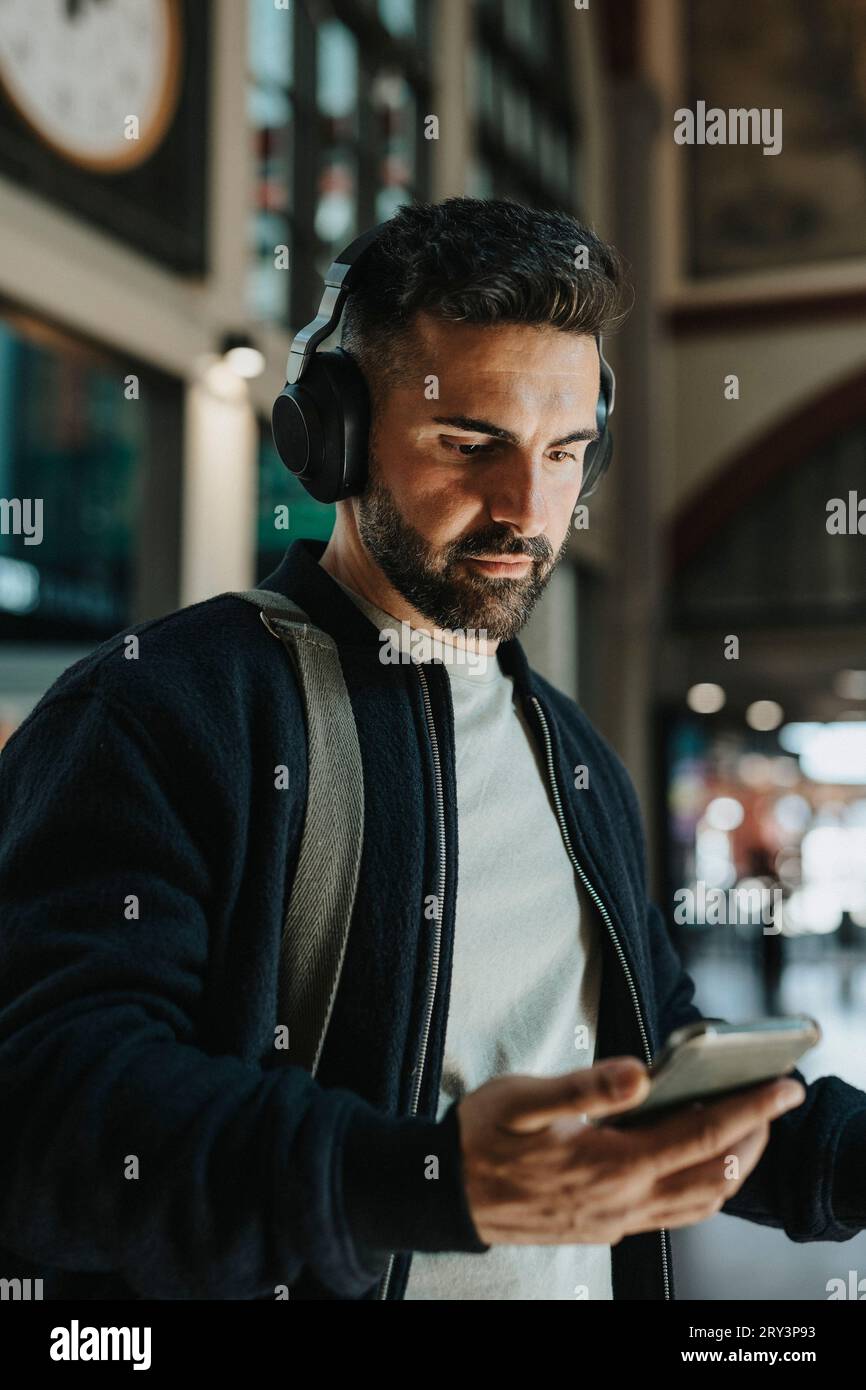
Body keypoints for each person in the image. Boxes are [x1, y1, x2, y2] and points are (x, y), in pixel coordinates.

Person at [0, 198, 863, 1303]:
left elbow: (644, 1076)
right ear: (334, 436)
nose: (526, 507)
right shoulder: (162, 710)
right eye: (470, 443)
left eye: (564, 452)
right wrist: (425, 1180)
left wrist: (836, 1154)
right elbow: (50, 1112)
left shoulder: (572, 755)